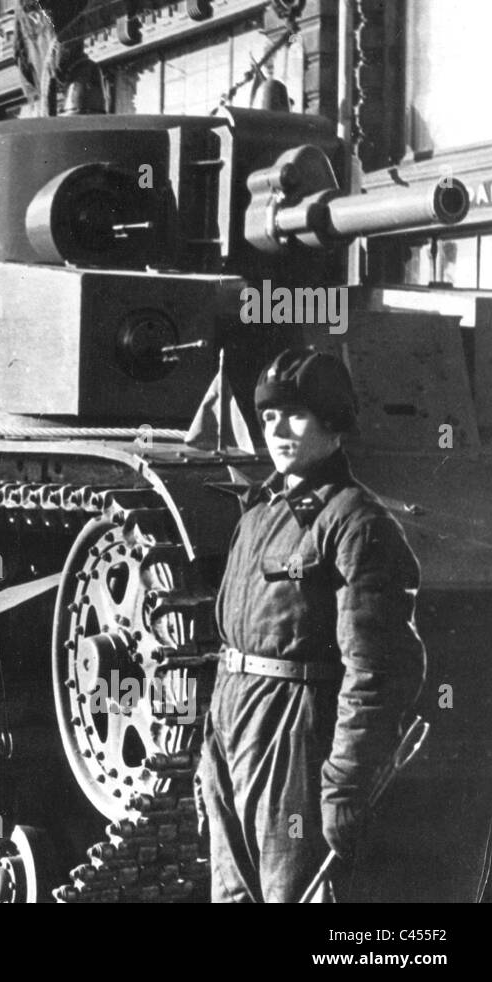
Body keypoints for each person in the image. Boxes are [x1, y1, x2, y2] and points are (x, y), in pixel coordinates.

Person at [196, 347, 426, 903]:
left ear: (333, 420)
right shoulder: (258, 515)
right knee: (233, 894)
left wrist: (345, 783)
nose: (277, 429)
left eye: (295, 414)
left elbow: (376, 669)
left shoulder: (356, 522)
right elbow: (230, 647)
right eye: (268, 415)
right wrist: (210, 755)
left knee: (292, 894)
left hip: (295, 734)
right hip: (235, 725)